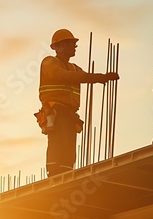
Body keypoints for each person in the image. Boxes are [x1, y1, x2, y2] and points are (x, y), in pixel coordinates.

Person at [37, 29, 118, 177]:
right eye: (70, 44)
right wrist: (99, 77)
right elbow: (63, 76)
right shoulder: (49, 62)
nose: (74, 47)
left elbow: (83, 76)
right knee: (58, 142)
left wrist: (103, 77)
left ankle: (66, 171)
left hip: (69, 113)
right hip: (56, 109)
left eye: (74, 44)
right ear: (58, 46)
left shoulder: (73, 68)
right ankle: (54, 172)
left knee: (69, 146)